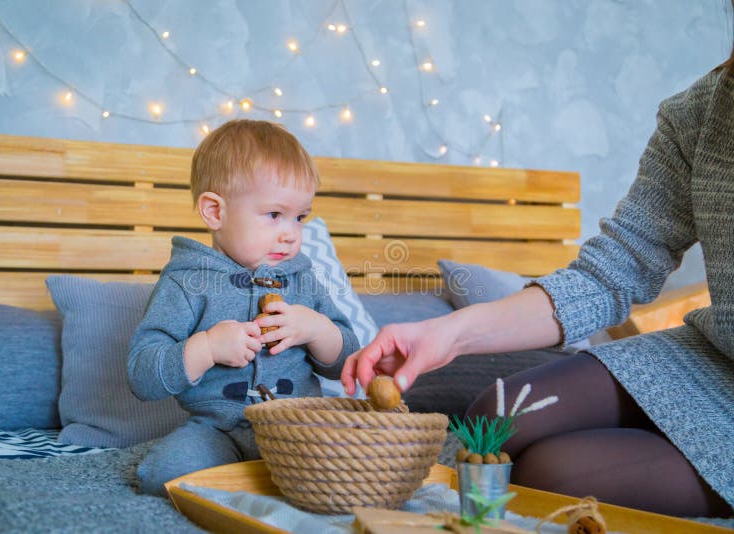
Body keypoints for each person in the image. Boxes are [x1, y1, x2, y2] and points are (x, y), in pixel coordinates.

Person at [342, 49, 734, 517]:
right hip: (709, 359)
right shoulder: (700, 113)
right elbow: (611, 272)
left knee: (554, 476)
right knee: (494, 421)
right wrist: (449, 333)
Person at [129, 119, 360, 496]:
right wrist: (207, 348)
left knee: (351, 465)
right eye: (274, 215)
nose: (290, 233)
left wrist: (317, 329)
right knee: (166, 474)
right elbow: (143, 375)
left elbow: (345, 361)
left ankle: (287, 482)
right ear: (215, 212)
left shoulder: (302, 280)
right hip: (218, 432)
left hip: (299, 429)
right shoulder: (187, 282)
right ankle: (256, 482)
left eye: (300, 217)